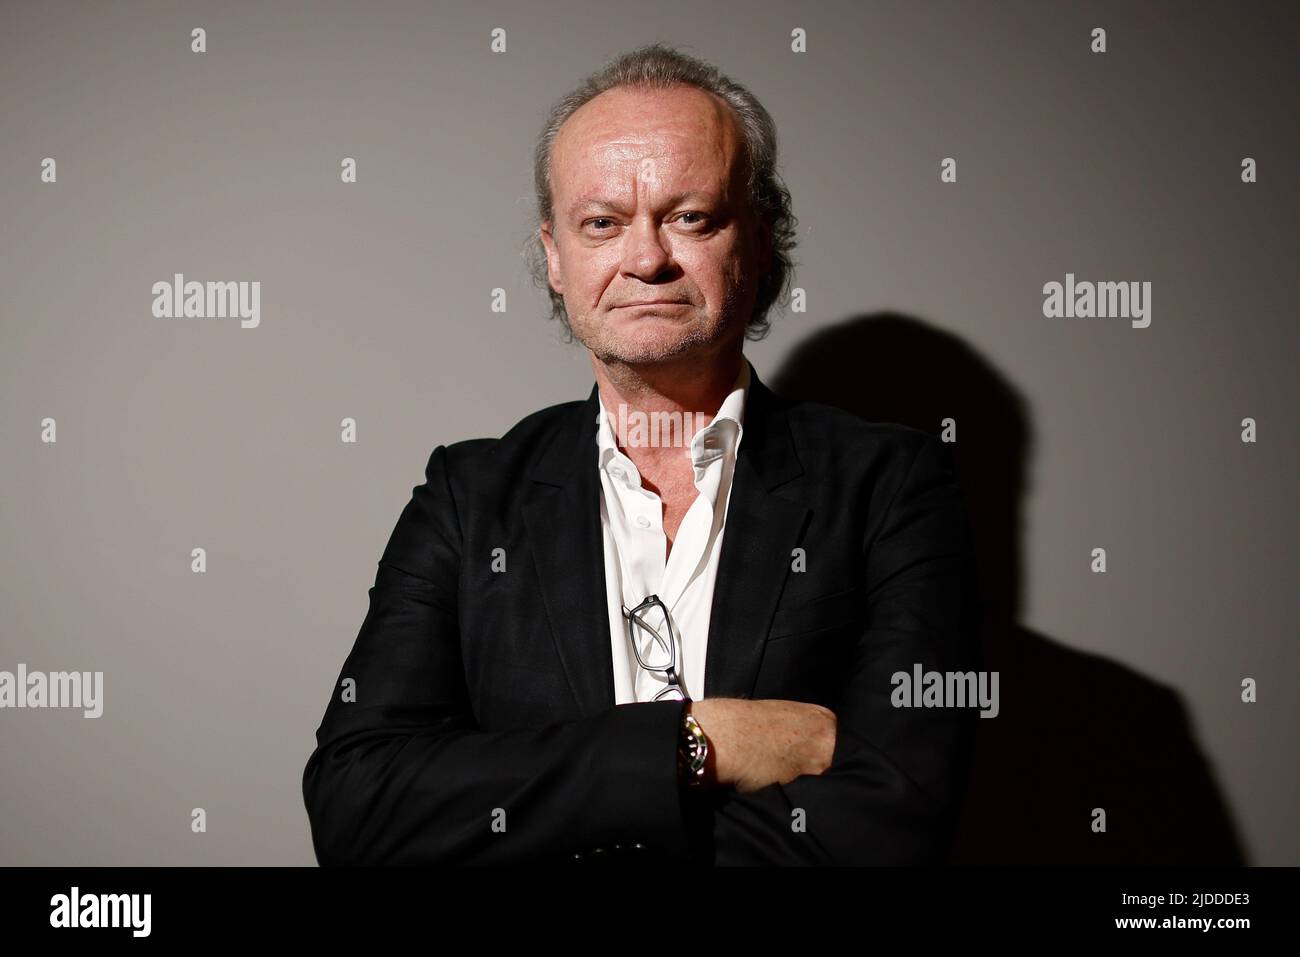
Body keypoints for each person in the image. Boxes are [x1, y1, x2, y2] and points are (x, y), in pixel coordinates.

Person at [302, 42, 980, 866]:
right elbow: (357, 803)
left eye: (690, 216)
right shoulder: (467, 495)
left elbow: (895, 823)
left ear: (759, 241)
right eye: (602, 222)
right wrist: (691, 743)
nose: (647, 258)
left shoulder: (890, 486)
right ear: (554, 254)